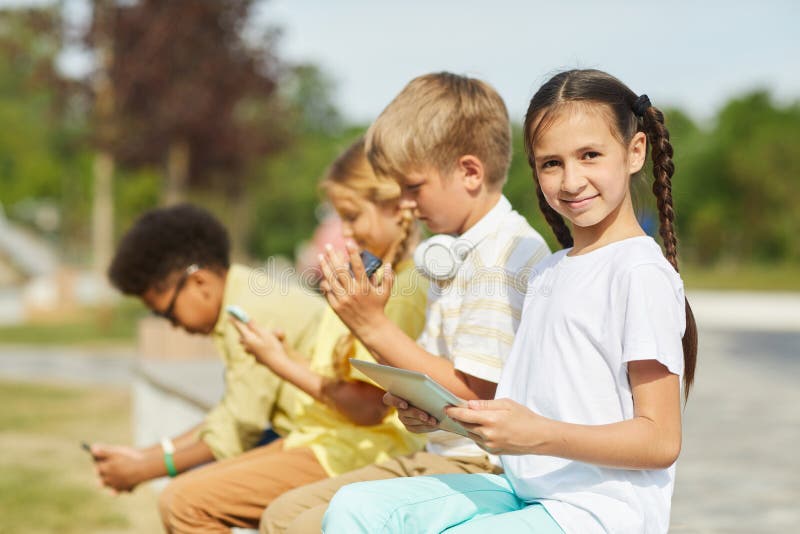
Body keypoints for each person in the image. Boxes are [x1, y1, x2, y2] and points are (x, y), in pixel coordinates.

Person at [323, 69, 700, 534]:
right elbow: (513, 406)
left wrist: (539, 436)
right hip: (523, 490)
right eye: (551, 163)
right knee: (354, 509)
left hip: (596, 512)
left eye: (590, 156)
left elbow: (661, 439)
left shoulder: (639, 273)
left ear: (635, 152)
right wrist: (437, 414)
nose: (571, 179)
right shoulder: (549, 271)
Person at [260, 72, 550, 534]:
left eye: (414, 187)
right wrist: (414, 405)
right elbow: (440, 384)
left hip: (482, 469)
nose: (408, 206)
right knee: (281, 515)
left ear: (470, 172)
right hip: (437, 455)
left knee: (302, 526)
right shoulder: (456, 248)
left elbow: (477, 396)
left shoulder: (502, 258)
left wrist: (370, 324)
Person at [157, 137, 429, 533]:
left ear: (395, 205)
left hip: (349, 452)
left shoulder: (399, 290)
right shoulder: (372, 279)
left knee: (183, 504)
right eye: (341, 220)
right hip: (318, 441)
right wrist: (286, 356)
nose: (347, 233)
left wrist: (281, 363)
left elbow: (369, 408)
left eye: (352, 216)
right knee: (182, 496)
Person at [91, 203, 323, 493]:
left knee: (186, 498)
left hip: (334, 446)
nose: (172, 325)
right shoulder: (240, 297)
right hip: (307, 439)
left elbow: (239, 428)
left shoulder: (251, 314)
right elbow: (228, 416)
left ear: (199, 282)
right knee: (195, 481)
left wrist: (144, 470)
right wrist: (145, 455)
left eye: (167, 313)